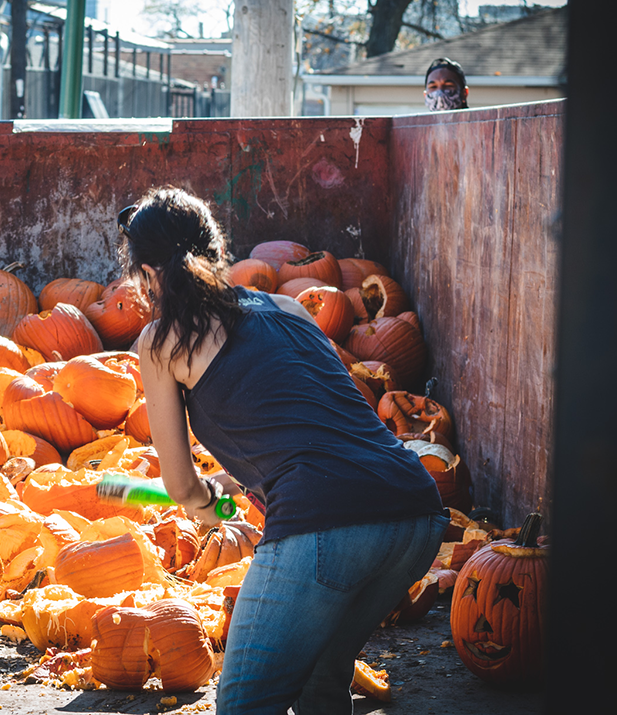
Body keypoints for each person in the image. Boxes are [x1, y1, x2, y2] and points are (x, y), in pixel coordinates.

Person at [118, 187, 448, 715]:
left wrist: (211, 508)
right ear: (216, 250)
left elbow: (181, 488)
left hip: (325, 526)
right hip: (415, 513)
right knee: (322, 681)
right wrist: (245, 486)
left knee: (246, 703)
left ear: (150, 275)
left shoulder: (162, 342)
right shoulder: (291, 308)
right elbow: (316, 423)